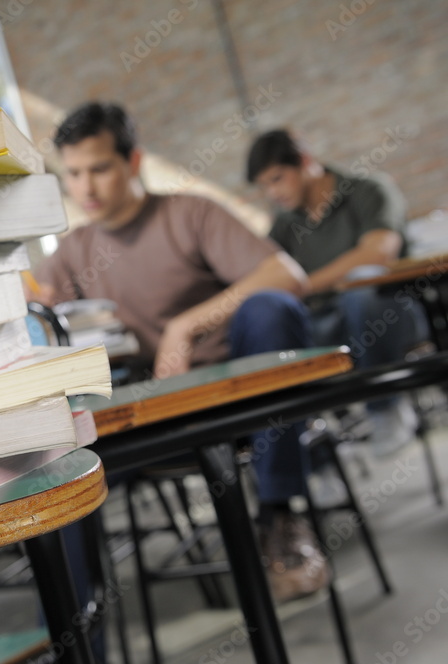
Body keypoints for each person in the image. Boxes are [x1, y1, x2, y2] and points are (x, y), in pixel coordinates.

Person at [31, 101, 326, 602]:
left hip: (240, 400)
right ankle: (73, 641)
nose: (86, 187)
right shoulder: (71, 253)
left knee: (271, 309)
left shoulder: (190, 214)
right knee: (55, 469)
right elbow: (34, 326)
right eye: (74, 173)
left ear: (133, 162)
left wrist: (185, 326)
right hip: (148, 416)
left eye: (100, 168)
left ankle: (279, 513)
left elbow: (287, 276)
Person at [246, 129, 429, 456]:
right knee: (267, 328)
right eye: (264, 186)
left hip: (385, 313)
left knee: (363, 286)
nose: (272, 193)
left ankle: (385, 407)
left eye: (277, 179)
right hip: (324, 327)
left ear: (305, 161)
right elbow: (265, 276)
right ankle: (317, 456)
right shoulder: (286, 226)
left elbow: (378, 253)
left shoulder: (368, 190)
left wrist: (303, 285)